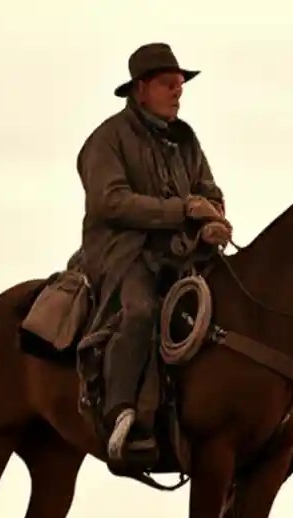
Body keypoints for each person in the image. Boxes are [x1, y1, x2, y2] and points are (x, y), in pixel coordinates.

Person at [75, 42, 233, 461]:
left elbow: (208, 188)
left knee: (233, 303)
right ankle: (121, 412)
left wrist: (214, 217)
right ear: (141, 89)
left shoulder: (186, 140)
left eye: (180, 85)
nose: (178, 93)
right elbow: (109, 203)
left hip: (184, 253)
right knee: (142, 310)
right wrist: (182, 209)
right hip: (124, 253)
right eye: (168, 85)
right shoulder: (106, 140)